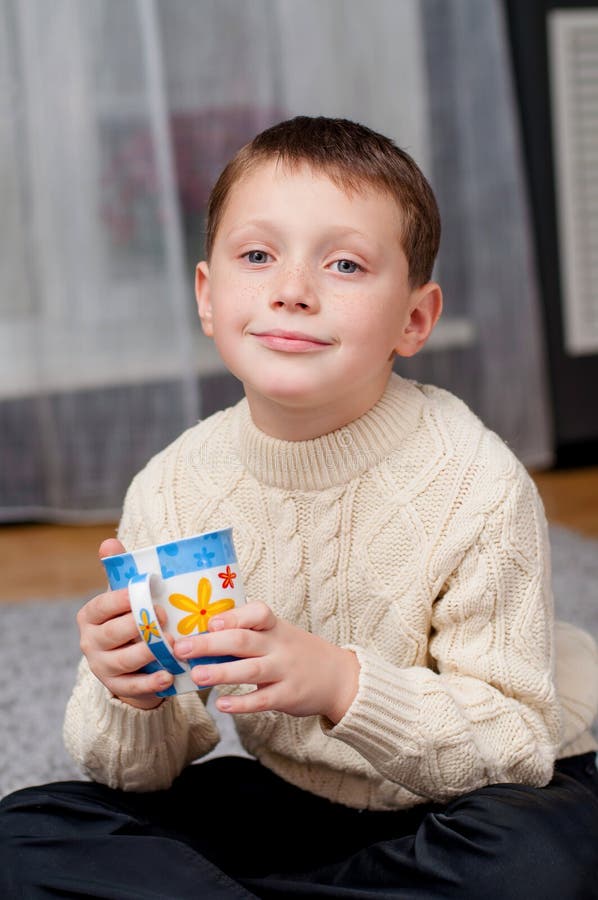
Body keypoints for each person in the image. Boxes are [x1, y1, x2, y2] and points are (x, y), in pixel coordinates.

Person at [2, 116, 598, 899]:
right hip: (299, 793)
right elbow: (135, 774)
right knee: (25, 834)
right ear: (209, 297)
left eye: (345, 263)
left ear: (414, 320)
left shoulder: (476, 483)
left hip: (477, 797)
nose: (292, 290)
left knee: (541, 864)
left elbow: (512, 746)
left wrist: (342, 684)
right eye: (257, 255)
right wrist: (131, 689)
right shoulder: (174, 485)